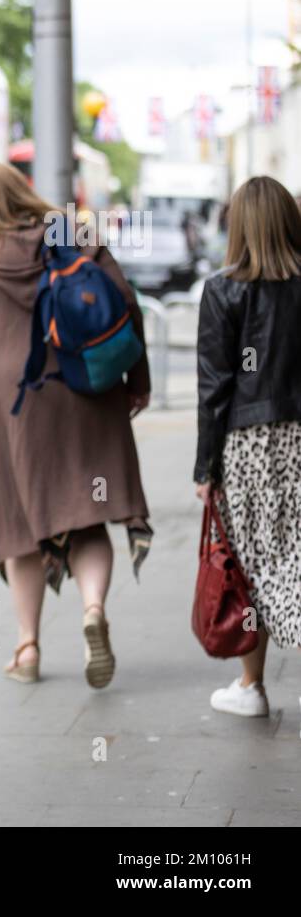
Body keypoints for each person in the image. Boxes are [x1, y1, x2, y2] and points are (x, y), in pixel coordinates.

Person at [0, 163, 153, 688]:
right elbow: (127, 305)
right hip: (88, 387)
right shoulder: (72, 232)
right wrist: (137, 380)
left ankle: (28, 646)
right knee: (87, 513)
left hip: (17, 401)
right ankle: (92, 609)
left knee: (19, 526)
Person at [194, 175, 301, 722]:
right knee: (288, 556)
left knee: (257, 565)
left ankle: (252, 688)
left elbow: (216, 387)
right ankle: (250, 685)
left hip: (250, 444)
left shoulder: (224, 290)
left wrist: (204, 466)